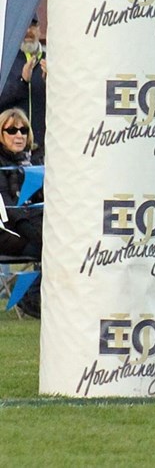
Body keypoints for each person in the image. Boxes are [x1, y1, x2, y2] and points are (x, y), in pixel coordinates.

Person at [0, 107, 44, 317]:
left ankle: (33, 296)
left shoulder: (36, 161)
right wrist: (28, 228)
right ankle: (30, 297)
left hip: (34, 223)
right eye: (12, 130)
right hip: (7, 229)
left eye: (23, 130)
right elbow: (7, 207)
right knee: (50, 247)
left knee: (63, 243)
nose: (19, 135)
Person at [0, 16, 47, 153]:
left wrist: (52, 86)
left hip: (42, 151)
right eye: (23, 26)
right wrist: (23, 82)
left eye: (32, 26)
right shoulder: (5, 61)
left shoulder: (51, 60)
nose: (28, 31)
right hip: (8, 152)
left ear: (39, 29)